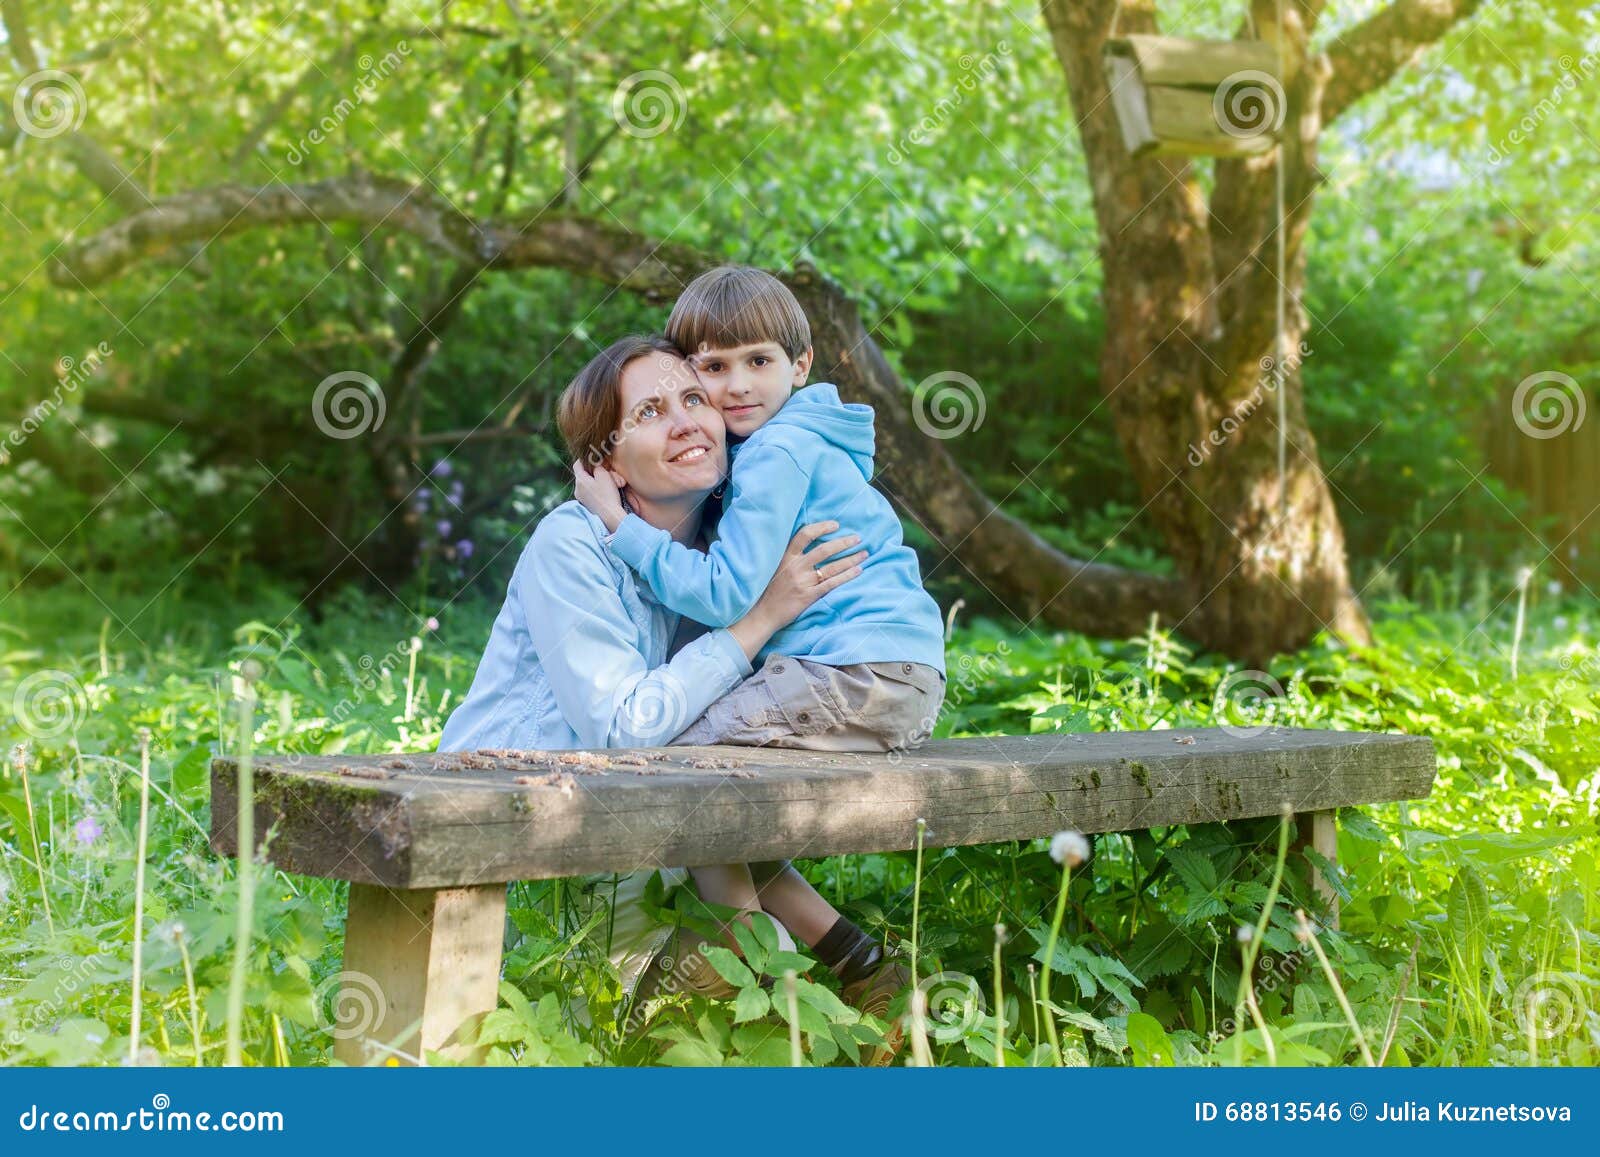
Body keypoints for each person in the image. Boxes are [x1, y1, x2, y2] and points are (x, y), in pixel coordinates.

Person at [438, 335, 898, 1058]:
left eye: (693, 398)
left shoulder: (723, 558)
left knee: (747, 944)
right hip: (518, 862)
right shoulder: (572, 544)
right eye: (650, 411)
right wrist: (759, 621)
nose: (686, 418)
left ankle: (850, 981)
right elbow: (624, 728)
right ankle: (826, 994)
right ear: (607, 462)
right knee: (745, 956)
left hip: (647, 857)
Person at [573, 265, 950, 1060]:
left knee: (673, 761)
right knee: (721, 802)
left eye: (757, 361)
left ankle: (751, 967)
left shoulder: (777, 452)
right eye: (713, 367)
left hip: (851, 674)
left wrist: (620, 527)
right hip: (887, 675)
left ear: (801, 365)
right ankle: (862, 965)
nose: (737, 385)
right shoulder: (804, 440)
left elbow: (722, 592)